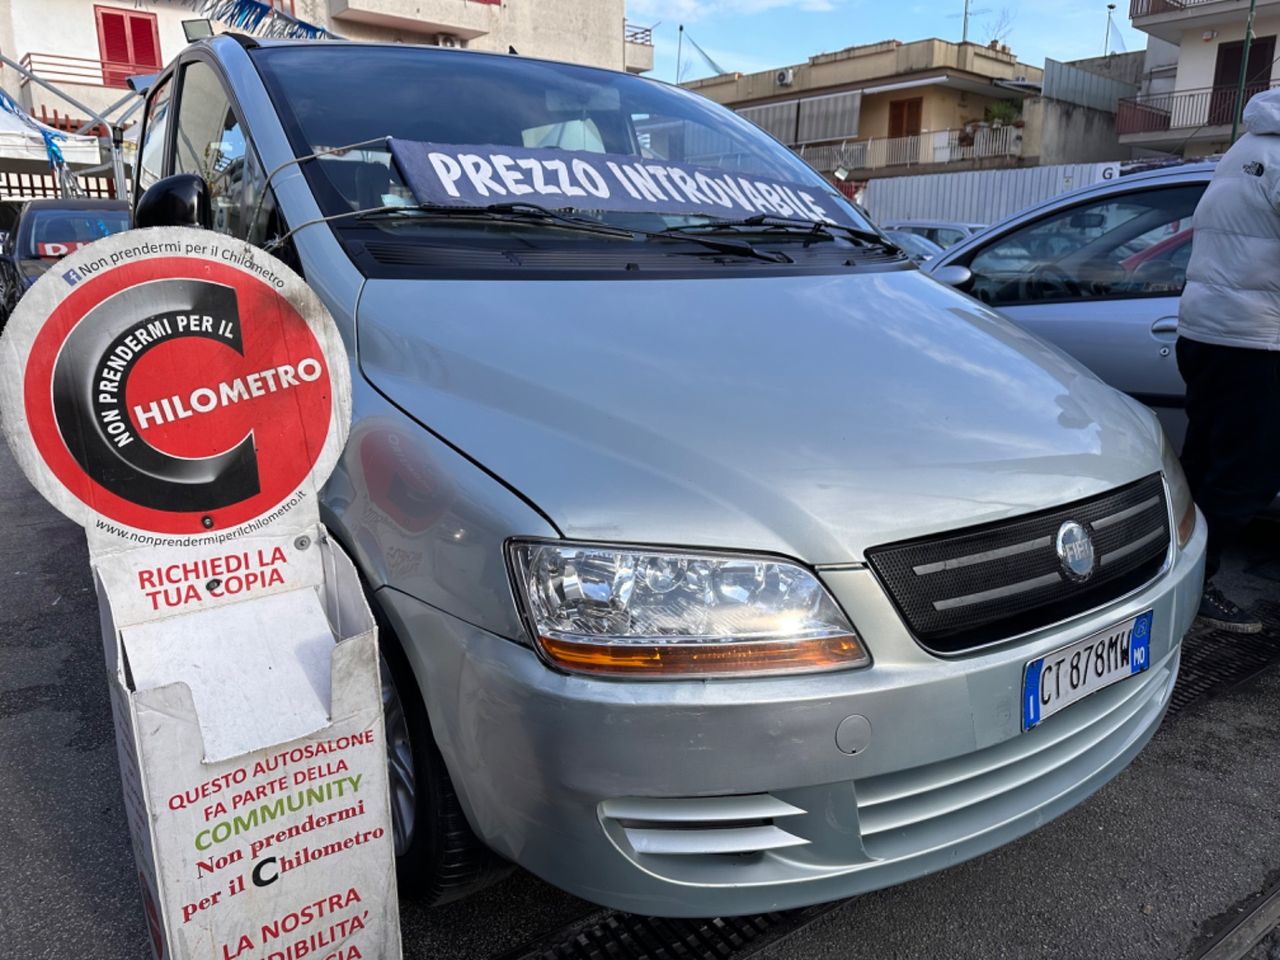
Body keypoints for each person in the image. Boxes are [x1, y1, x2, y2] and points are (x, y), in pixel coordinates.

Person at [1176, 87, 1280, 634]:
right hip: (1254, 340)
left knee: (1202, 462)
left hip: (1207, 332)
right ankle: (1195, 587)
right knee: (1249, 474)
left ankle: (1170, 573)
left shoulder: (1247, 146)